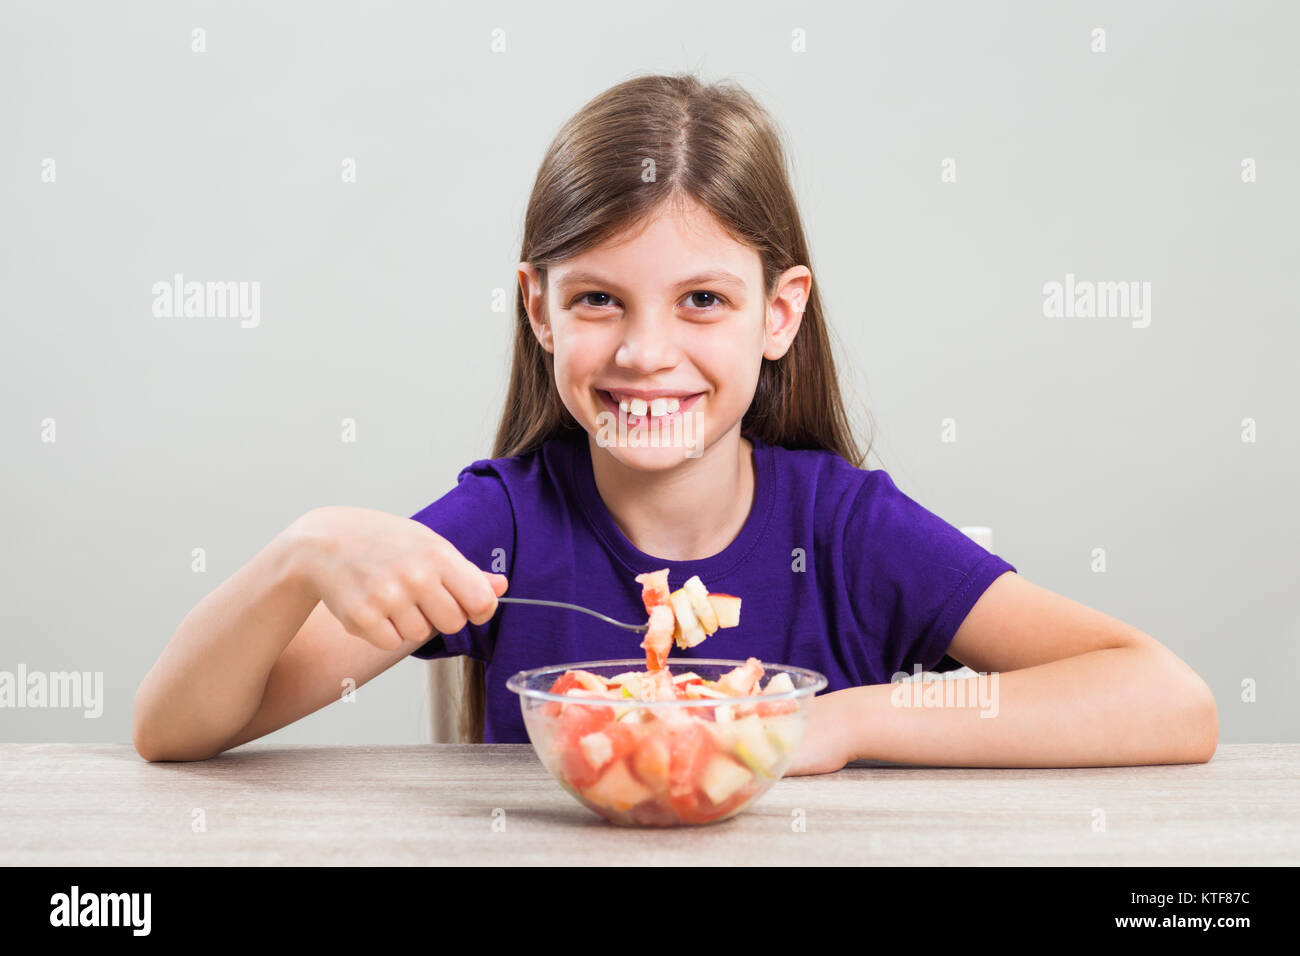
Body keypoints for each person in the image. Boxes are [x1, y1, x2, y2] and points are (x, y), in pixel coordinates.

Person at [133, 72, 1217, 772]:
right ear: (540, 312)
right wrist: (300, 553)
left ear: (777, 313)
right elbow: (174, 728)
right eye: (599, 298)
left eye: (702, 300)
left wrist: (833, 722)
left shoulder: (844, 531)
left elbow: (1166, 697)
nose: (646, 352)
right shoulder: (505, 528)